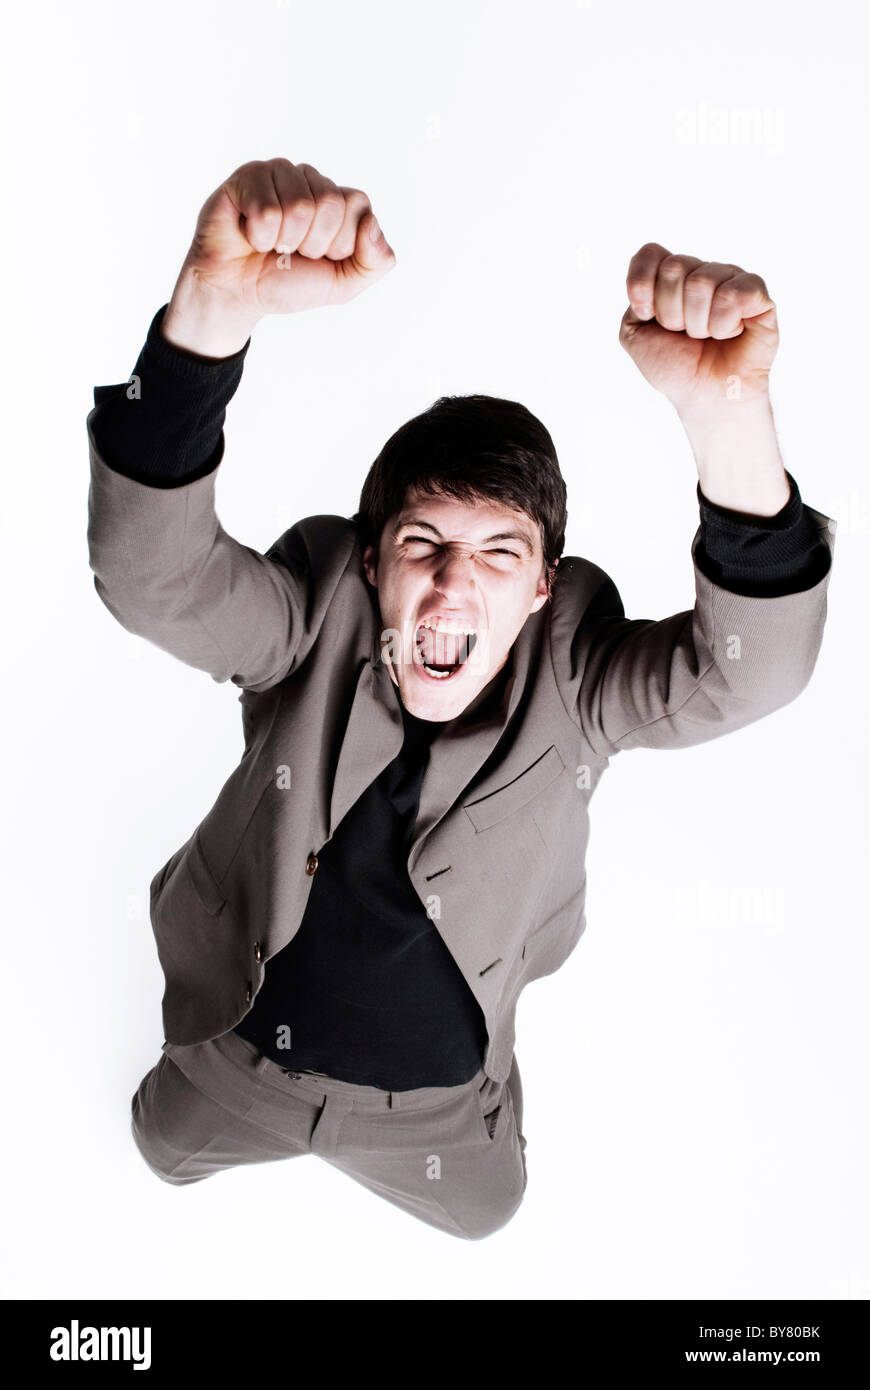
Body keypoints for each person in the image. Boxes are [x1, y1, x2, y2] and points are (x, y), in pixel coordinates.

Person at [86, 158, 835, 1240]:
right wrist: (209, 315)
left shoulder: (577, 677)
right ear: (374, 563)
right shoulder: (315, 619)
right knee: (160, 1148)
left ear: (541, 588)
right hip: (236, 1065)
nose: (451, 584)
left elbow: (752, 667)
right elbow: (151, 574)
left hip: (438, 1119)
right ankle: (189, 1127)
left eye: (497, 552)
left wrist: (730, 416)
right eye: (423, 544)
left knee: (492, 1215)